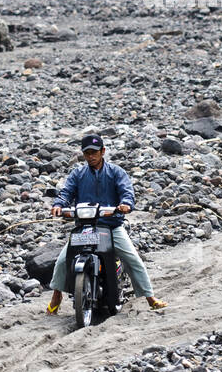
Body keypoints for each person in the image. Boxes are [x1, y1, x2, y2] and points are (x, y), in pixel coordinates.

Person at [46, 134, 166, 313]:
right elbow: (66, 193)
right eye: (87, 153)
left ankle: (150, 297)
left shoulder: (116, 172)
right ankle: (57, 295)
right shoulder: (78, 174)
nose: (91, 156)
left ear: (102, 152)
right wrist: (58, 205)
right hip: (85, 227)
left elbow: (127, 192)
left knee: (132, 259)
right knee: (63, 260)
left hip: (111, 226)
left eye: (94, 152)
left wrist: (124, 205)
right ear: (83, 154)